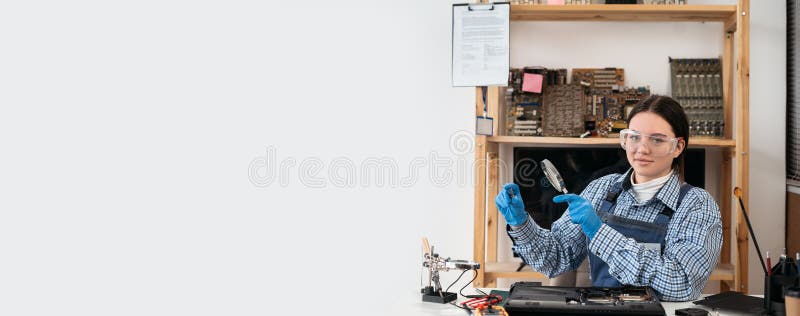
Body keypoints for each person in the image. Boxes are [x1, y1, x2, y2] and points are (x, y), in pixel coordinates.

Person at [495, 95, 722, 301]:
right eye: (634, 137)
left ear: (678, 147)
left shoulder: (697, 205)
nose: (641, 149)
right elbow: (556, 259)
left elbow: (682, 284)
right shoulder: (601, 188)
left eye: (657, 140)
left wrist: (599, 232)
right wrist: (521, 223)